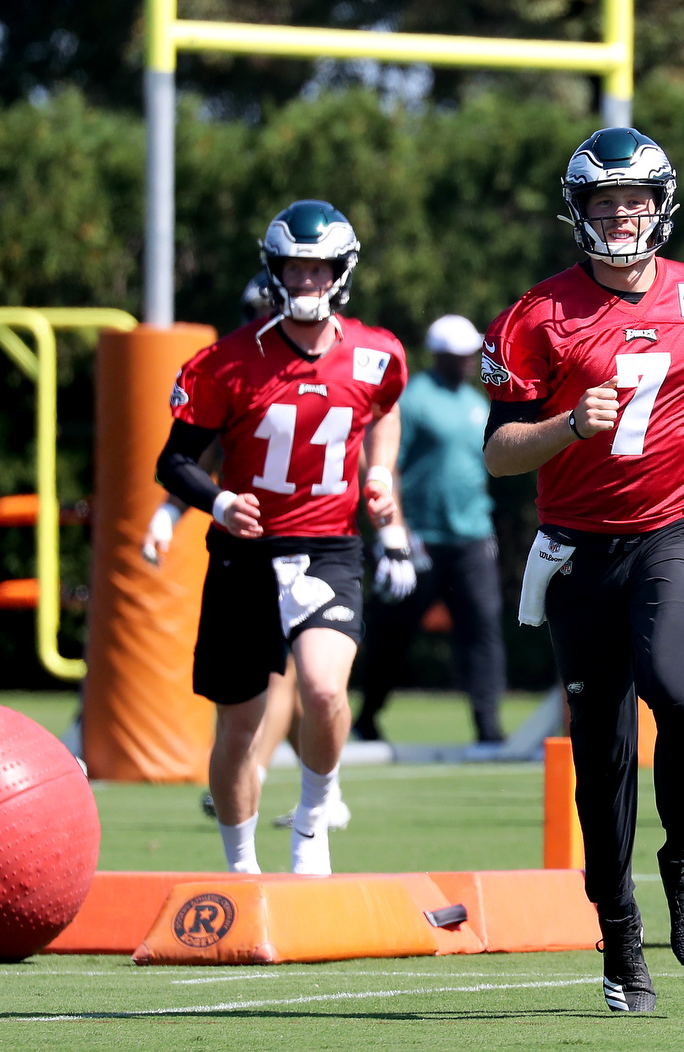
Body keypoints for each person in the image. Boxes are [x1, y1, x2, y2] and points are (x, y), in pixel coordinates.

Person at [481, 127, 684, 1013]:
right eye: (606, 204)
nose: (622, 217)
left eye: (635, 202)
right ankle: (620, 937)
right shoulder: (537, 316)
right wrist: (568, 427)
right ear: (580, 212)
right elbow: (499, 452)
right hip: (576, 546)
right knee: (599, 757)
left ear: (660, 206)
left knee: (677, 690)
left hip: (675, 526)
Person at [155, 199, 409, 875]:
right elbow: (172, 462)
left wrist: (379, 474)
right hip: (245, 554)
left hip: (329, 546)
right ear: (273, 272)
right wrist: (218, 500)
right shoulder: (225, 363)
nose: (305, 283)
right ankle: (240, 867)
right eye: (293, 270)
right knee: (239, 728)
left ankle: (313, 820)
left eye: (317, 269)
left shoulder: (376, 352)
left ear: (341, 272)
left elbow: (386, 411)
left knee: (325, 690)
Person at [144, 273, 350, 834]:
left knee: (309, 680)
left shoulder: (343, 359)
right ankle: (270, 789)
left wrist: (389, 508)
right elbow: (200, 457)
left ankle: (309, 794)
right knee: (269, 692)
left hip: (319, 541)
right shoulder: (237, 368)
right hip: (247, 546)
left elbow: (375, 420)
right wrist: (169, 512)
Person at [356, 314, 507, 745]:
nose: (466, 363)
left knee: (482, 626)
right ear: (440, 355)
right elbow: (389, 466)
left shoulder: (477, 402)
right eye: (458, 356)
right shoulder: (413, 399)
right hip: (420, 536)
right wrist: (396, 531)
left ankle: (488, 724)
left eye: (470, 356)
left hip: (472, 535)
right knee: (393, 631)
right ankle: (368, 715)